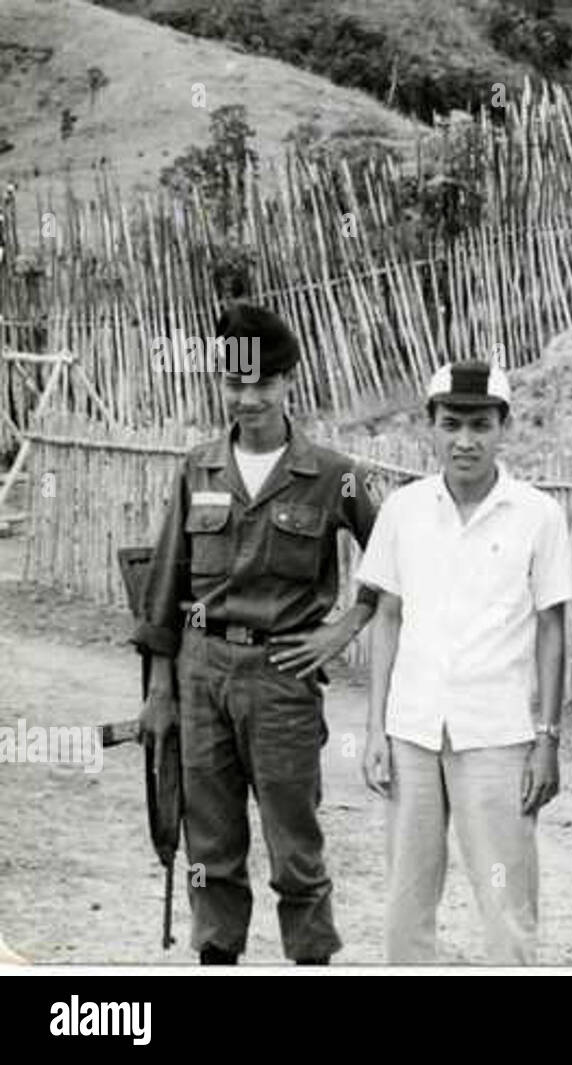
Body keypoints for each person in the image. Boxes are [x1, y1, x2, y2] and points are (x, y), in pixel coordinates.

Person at [134, 304, 380, 965]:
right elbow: (165, 586)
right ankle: (218, 956)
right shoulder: (197, 468)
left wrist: (344, 627)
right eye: (236, 384)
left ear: (289, 381)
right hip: (199, 669)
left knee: (294, 843)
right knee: (209, 843)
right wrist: (161, 691)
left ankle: (310, 958)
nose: (249, 398)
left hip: (282, 678)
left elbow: (394, 557)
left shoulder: (335, 473)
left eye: (263, 383)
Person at [356, 360, 572, 964]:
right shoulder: (404, 509)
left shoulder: (538, 514)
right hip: (412, 731)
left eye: (481, 425)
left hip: (496, 734)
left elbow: (553, 628)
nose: (465, 441)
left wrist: (547, 738)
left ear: (504, 427)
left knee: (506, 897)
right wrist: (375, 729)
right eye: (451, 424)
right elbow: (389, 616)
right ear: (430, 426)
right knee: (407, 896)